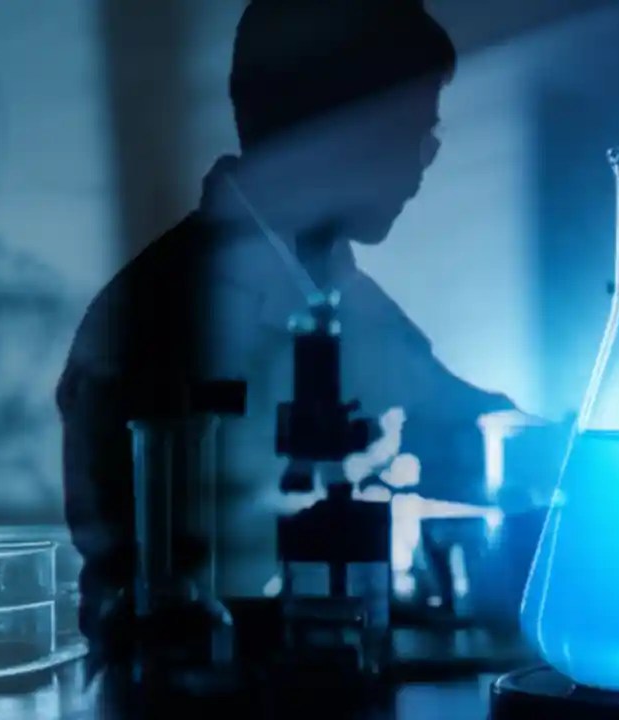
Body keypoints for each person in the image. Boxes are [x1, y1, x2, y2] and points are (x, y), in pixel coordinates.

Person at [56, 0, 518, 668]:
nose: (425, 163)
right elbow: (149, 590)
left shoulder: (340, 294)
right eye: (415, 131)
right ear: (339, 131)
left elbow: (456, 421)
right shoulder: (152, 313)